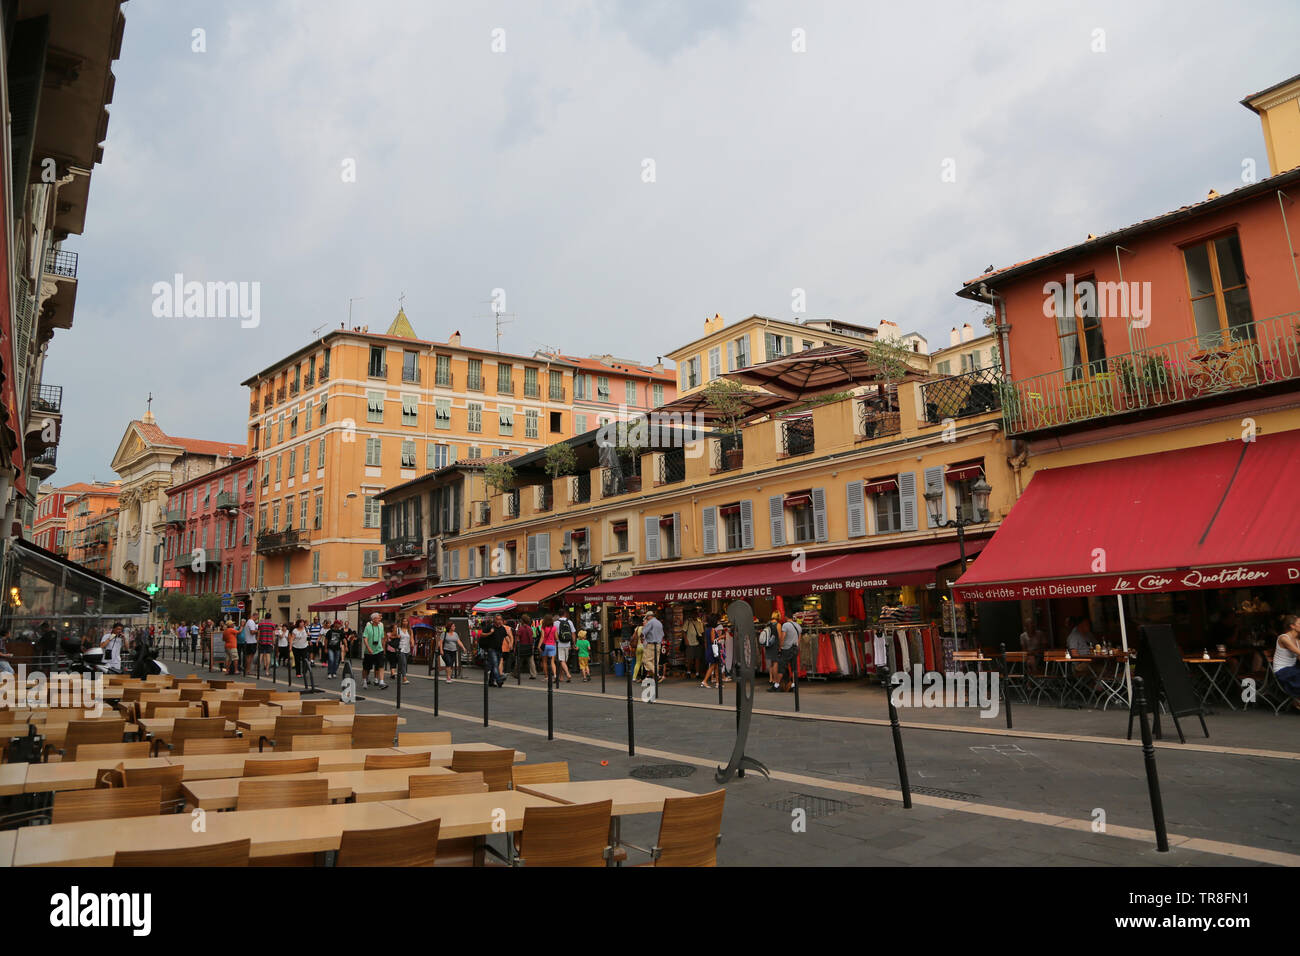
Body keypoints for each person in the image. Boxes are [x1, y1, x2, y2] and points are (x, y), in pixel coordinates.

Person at [1272, 614, 1300, 708]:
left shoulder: (1297, 640)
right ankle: (1296, 701)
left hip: (1292, 668)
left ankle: (1296, 701)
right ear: (1292, 626)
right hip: (1282, 670)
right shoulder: (1284, 638)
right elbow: (1298, 652)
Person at [771, 612, 801, 692]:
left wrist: (780, 647)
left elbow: (783, 637)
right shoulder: (798, 626)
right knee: (794, 668)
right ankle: (794, 685)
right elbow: (799, 639)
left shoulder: (785, 625)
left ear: (786, 617)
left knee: (781, 667)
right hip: (795, 649)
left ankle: (776, 685)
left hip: (787, 649)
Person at [480, 614, 508, 688]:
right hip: (491, 649)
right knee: (495, 665)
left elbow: (506, 636)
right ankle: (499, 681)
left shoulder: (502, 628)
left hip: (499, 649)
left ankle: (491, 681)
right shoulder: (490, 627)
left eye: (500, 619)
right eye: (497, 619)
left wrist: (510, 644)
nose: (499, 621)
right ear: (494, 620)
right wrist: (490, 633)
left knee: (494, 666)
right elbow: (481, 634)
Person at [362, 612, 387, 689]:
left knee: (381, 665)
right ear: (373, 619)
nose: (379, 619)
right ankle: (365, 681)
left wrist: (383, 647)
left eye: (379, 618)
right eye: (378, 618)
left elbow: (382, 637)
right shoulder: (368, 627)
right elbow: (365, 638)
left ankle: (381, 682)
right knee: (366, 668)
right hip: (369, 651)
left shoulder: (381, 626)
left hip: (379, 650)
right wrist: (368, 648)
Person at [640, 608, 664, 681]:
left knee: (646, 660)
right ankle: (653, 678)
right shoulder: (659, 623)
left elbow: (643, 632)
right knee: (655, 662)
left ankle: (657, 674)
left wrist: (642, 638)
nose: (647, 619)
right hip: (658, 644)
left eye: (647, 618)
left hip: (650, 644)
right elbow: (662, 634)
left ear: (649, 616)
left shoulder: (650, 622)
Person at [515, 613, 537, 679]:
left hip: (521, 646)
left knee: (519, 661)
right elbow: (532, 638)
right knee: (531, 661)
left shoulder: (521, 629)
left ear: (522, 620)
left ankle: (516, 673)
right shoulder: (530, 628)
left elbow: (518, 638)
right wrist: (532, 646)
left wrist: (516, 646)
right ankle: (533, 674)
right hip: (529, 646)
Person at [701, 615, 721, 689]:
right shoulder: (712, 629)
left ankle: (718, 682)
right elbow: (713, 640)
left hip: (709, 648)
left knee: (715, 665)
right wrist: (720, 637)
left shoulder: (707, 629)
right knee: (713, 665)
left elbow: (706, 641)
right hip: (713, 649)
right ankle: (705, 681)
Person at [683, 611, 704, 679]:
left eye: (696, 614)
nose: (695, 615)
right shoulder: (688, 622)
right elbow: (684, 632)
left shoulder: (699, 622)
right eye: (694, 614)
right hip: (690, 643)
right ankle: (688, 672)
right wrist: (686, 640)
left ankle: (697, 673)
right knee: (690, 659)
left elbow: (702, 632)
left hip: (698, 643)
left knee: (697, 658)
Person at [555, 610, 575, 683]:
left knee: (561, 661)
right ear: (565, 614)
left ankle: (567, 674)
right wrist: (573, 643)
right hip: (567, 643)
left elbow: (555, 634)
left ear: (559, 615)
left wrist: (557, 641)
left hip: (559, 644)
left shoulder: (556, 623)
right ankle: (561, 677)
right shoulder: (569, 622)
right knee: (563, 661)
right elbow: (573, 633)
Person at [539, 614, 559, 682]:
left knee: (544, 661)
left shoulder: (543, 627)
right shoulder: (554, 628)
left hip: (545, 646)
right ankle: (555, 676)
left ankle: (546, 677)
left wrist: (539, 645)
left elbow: (542, 637)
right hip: (552, 646)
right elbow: (556, 638)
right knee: (552, 662)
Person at [395, 615, 413, 685]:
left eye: (406, 621)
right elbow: (391, 636)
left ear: (408, 622)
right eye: (404, 621)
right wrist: (397, 636)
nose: (405, 622)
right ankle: (404, 678)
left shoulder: (410, 630)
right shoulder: (398, 629)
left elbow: (412, 638)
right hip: (400, 648)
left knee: (403, 664)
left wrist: (412, 643)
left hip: (407, 649)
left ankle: (399, 674)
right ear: (401, 622)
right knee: (403, 663)